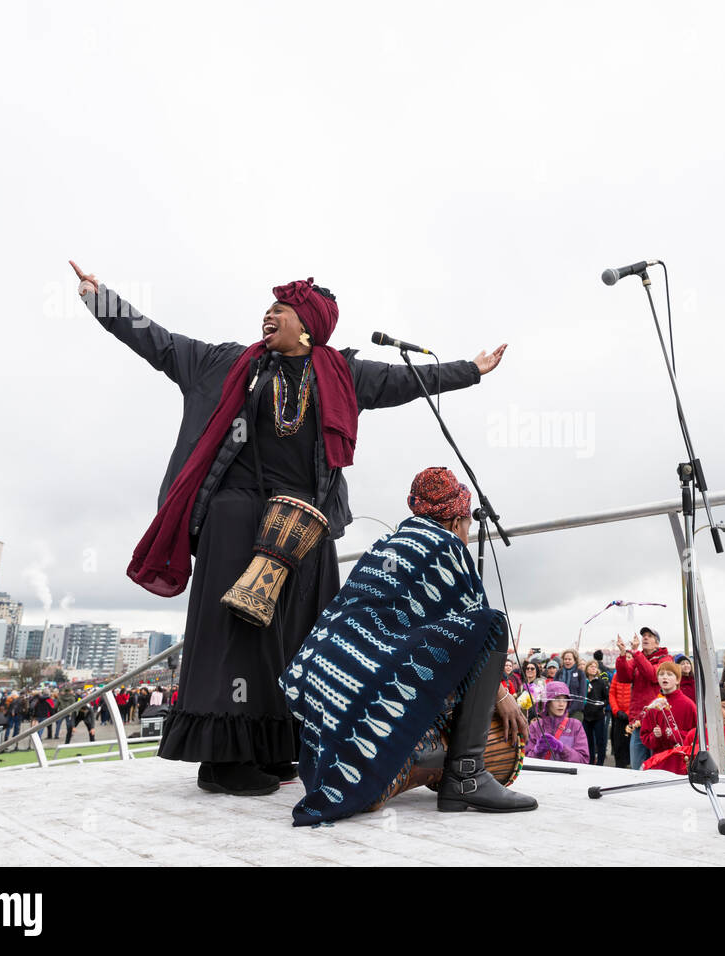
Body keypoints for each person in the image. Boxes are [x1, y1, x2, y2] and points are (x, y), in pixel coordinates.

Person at [74, 263, 507, 797]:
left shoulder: (344, 374)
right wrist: (102, 300)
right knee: (238, 635)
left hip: (306, 522)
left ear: (307, 325)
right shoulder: (228, 363)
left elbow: (408, 382)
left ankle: (276, 746)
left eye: (279, 309)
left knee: (302, 637)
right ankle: (223, 761)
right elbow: (160, 343)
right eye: (268, 308)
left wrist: (473, 369)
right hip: (237, 516)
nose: (267, 314)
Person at [281, 467, 535, 821]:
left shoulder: (384, 546)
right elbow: (475, 635)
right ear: (456, 519)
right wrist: (502, 696)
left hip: (320, 678)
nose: (466, 535)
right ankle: (466, 774)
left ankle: (361, 769)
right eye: (467, 527)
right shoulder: (445, 547)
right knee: (491, 623)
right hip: (363, 678)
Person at [615, 627, 671, 770]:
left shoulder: (665, 659)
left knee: (657, 766)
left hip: (657, 720)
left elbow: (653, 675)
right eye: (644, 636)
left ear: (657, 643)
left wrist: (636, 653)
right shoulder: (639, 657)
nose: (645, 638)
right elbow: (624, 677)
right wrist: (622, 655)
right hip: (638, 720)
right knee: (637, 767)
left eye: (649, 636)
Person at [639, 661, 697, 758]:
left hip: (682, 760)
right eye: (661, 674)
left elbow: (696, 736)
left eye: (669, 674)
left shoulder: (688, 705)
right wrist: (655, 736)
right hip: (659, 760)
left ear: (678, 680)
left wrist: (671, 733)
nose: (664, 677)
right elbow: (645, 736)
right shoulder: (654, 706)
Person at [525, 682, 590, 764]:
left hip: (567, 775)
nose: (562, 704)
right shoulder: (535, 726)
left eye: (565, 700)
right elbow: (524, 760)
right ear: (547, 702)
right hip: (540, 775)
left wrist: (563, 749)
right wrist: (537, 751)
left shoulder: (575, 725)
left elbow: (583, 760)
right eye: (557, 699)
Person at [582, 659, 609, 765]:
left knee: (600, 741)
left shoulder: (601, 682)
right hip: (586, 716)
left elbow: (607, 698)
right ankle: (590, 761)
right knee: (589, 742)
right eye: (591, 666)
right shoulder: (583, 681)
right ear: (587, 668)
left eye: (595, 666)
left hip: (598, 716)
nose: (593, 668)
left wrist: (602, 704)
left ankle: (600, 763)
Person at [608, 670, 633, 770]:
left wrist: (628, 712)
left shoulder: (635, 675)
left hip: (631, 716)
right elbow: (612, 694)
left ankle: (629, 764)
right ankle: (619, 766)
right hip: (618, 715)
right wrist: (616, 710)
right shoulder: (616, 676)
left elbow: (636, 696)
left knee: (629, 742)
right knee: (617, 742)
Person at [556, 649, 587, 722]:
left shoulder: (580, 674)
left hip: (576, 711)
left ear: (575, 660)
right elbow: (554, 692)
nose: (567, 661)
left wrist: (569, 711)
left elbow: (581, 696)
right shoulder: (559, 673)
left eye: (569, 659)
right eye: (565, 659)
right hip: (559, 709)